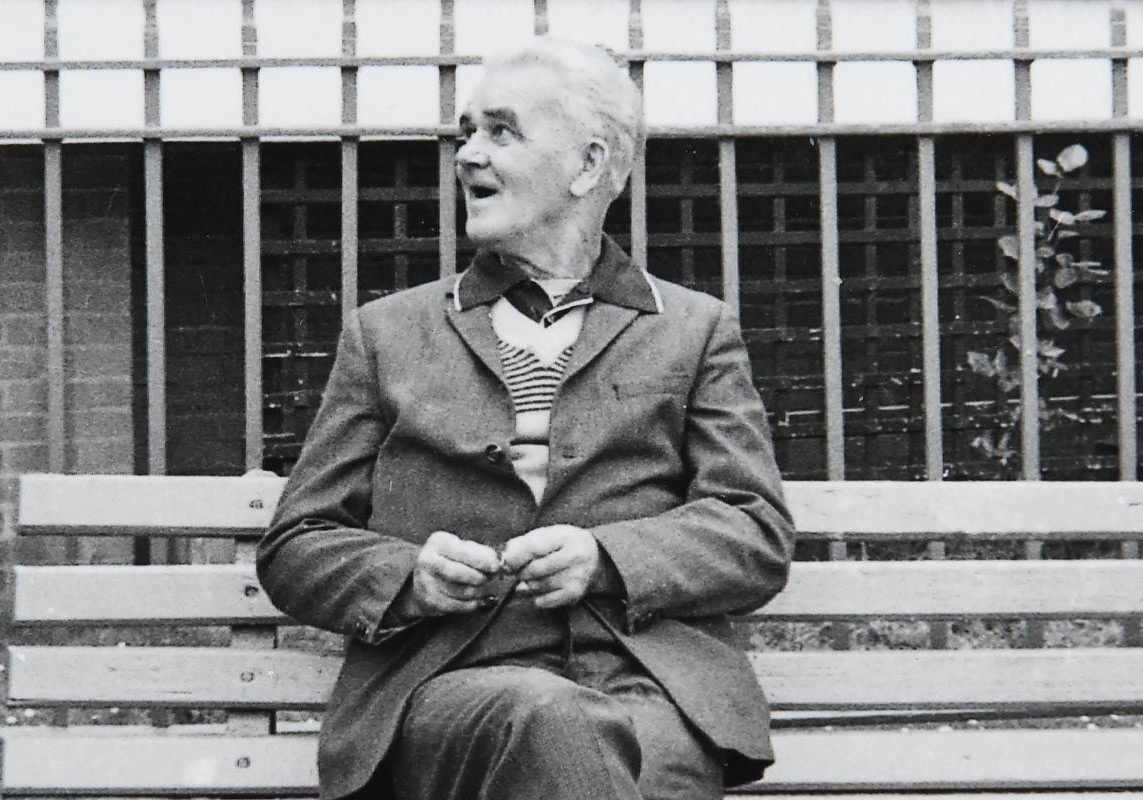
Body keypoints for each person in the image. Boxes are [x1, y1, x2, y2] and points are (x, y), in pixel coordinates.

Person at [257, 36, 794, 800]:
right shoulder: (388, 334)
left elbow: (753, 530)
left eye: (501, 131)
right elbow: (296, 544)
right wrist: (408, 577)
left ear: (588, 165)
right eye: (467, 132)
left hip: (644, 683)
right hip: (450, 682)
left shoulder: (692, 329)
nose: (468, 155)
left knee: (614, 751)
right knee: (548, 720)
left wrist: (606, 558)